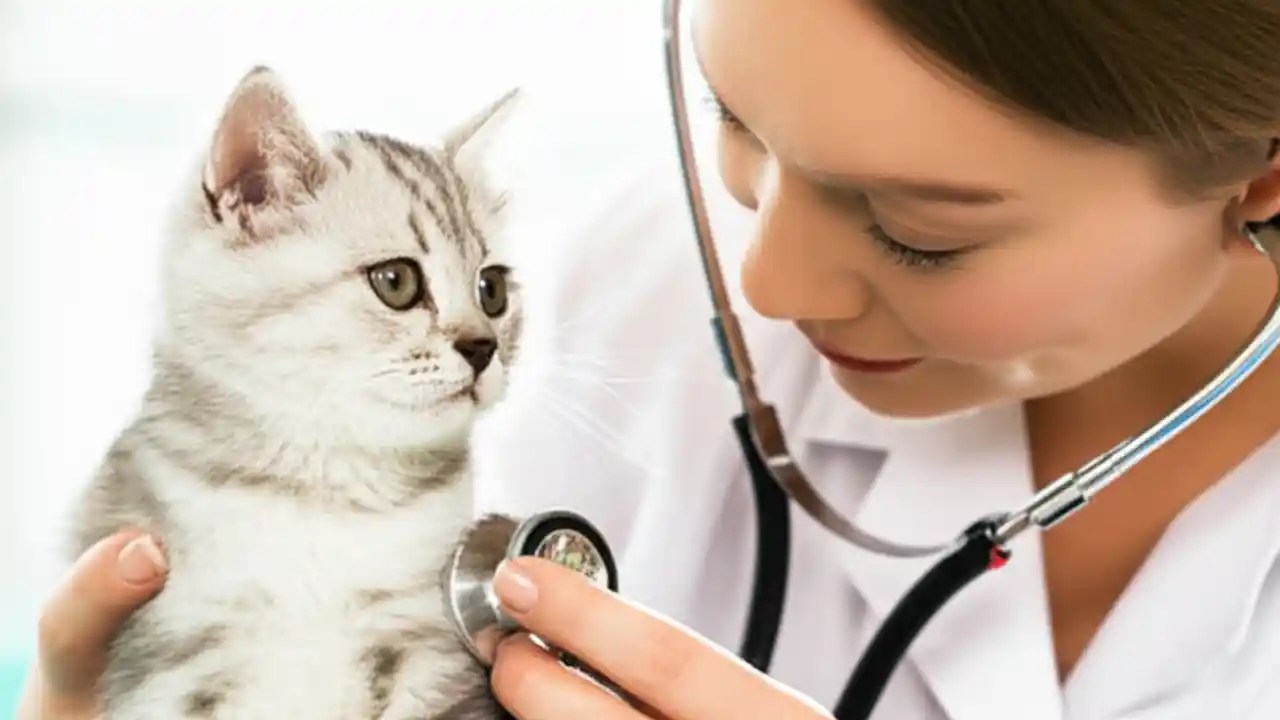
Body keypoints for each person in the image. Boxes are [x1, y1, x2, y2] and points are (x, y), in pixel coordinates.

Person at [19, 1, 1280, 718]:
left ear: (1261, 178)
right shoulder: (639, 278)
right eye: (735, 122)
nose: (764, 280)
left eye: (917, 231)